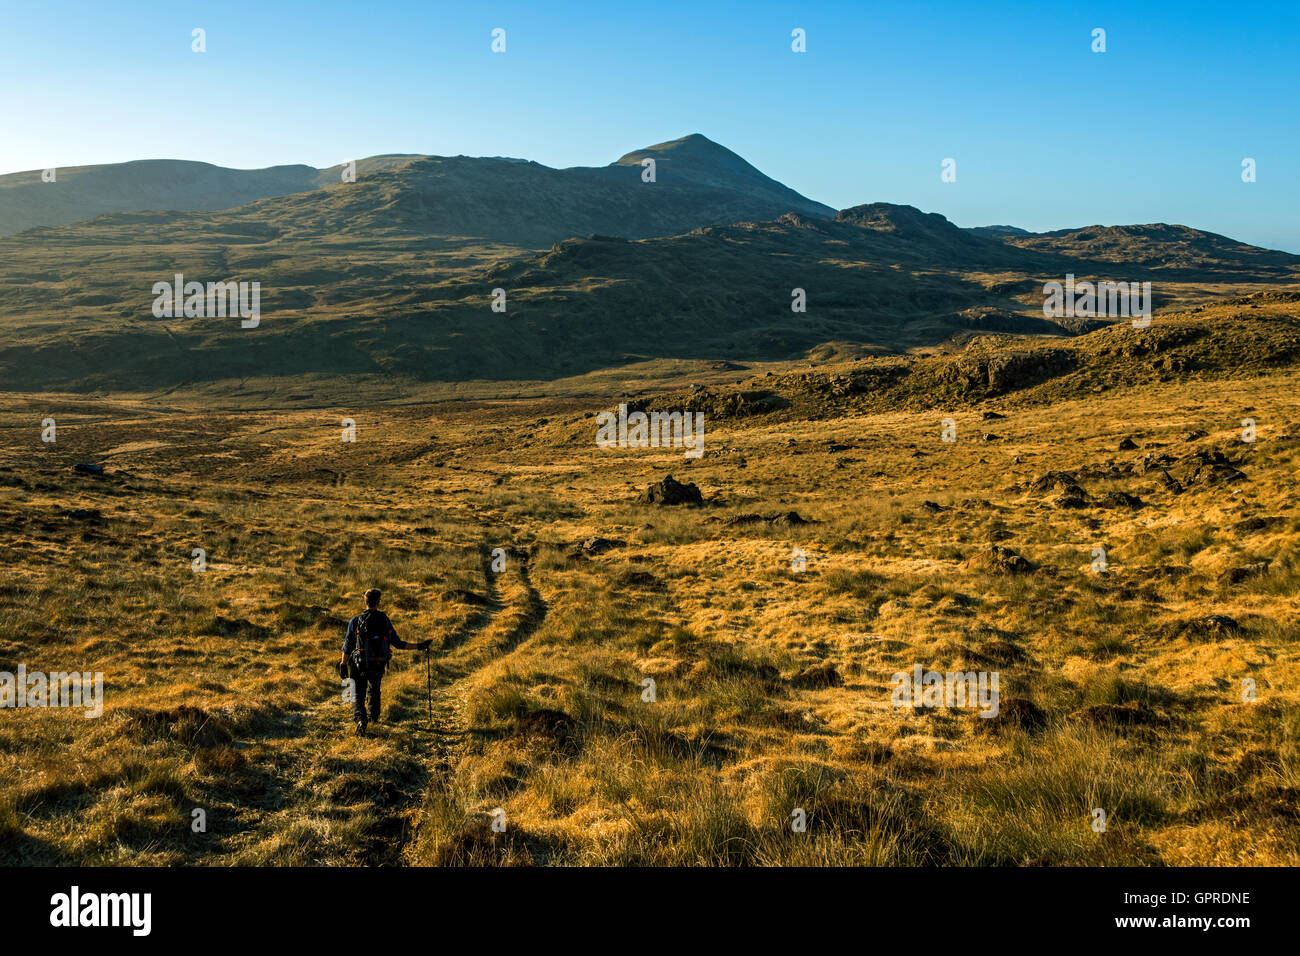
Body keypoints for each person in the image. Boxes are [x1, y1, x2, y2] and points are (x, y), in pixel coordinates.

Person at [340, 588, 431, 736]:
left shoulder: (355, 621)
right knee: (374, 690)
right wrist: (421, 645)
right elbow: (398, 644)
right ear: (378, 602)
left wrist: (343, 664)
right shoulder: (384, 620)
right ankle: (373, 717)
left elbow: (348, 645)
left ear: (365, 601)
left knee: (357, 693)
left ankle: (361, 720)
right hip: (379, 662)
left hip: (359, 663)